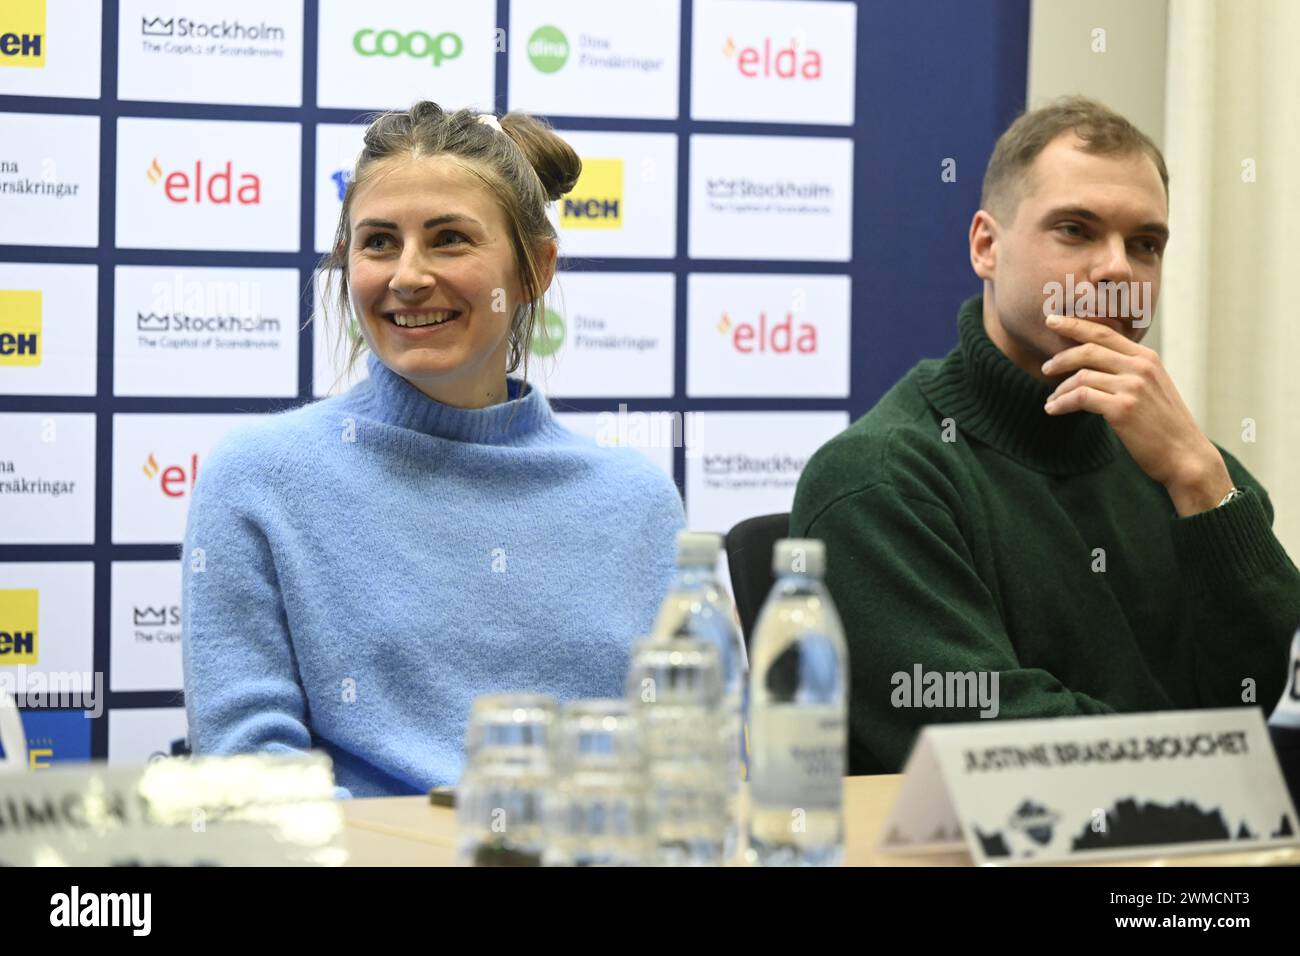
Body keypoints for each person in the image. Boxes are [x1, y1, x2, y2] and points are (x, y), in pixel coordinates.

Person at [182, 102, 684, 797]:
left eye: (449, 239)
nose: (408, 275)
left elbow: (698, 760)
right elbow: (251, 773)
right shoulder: (260, 477)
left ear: (534, 270)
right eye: (379, 242)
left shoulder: (638, 499)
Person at [791, 96, 1300, 774]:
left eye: (1145, 243)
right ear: (986, 247)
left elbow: (1284, 706)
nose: (1118, 269)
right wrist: (1229, 766)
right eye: (1076, 230)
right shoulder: (878, 480)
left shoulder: (1191, 468)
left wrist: (1205, 488)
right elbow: (1003, 753)